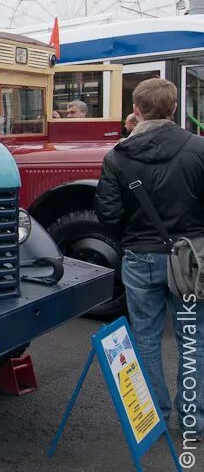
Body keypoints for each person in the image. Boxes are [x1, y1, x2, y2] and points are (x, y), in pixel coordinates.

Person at [94, 78, 204, 442]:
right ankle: (193, 420)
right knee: (193, 338)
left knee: (145, 338)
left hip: (140, 257)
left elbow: (107, 216)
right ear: (174, 108)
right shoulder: (199, 148)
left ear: (136, 111)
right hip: (189, 258)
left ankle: (154, 416)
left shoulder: (117, 156)